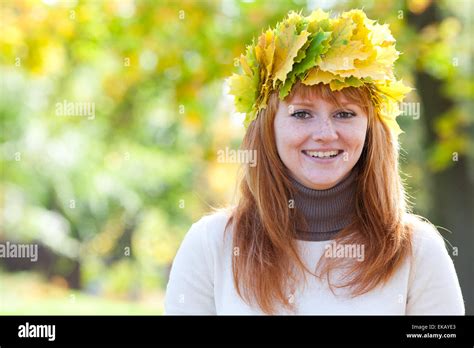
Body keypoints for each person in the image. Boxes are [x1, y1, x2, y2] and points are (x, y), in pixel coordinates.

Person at [164, 9, 465, 315]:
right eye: (302, 113)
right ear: (269, 127)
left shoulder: (418, 252)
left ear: (369, 128)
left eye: (344, 113)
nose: (325, 134)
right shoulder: (211, 245)